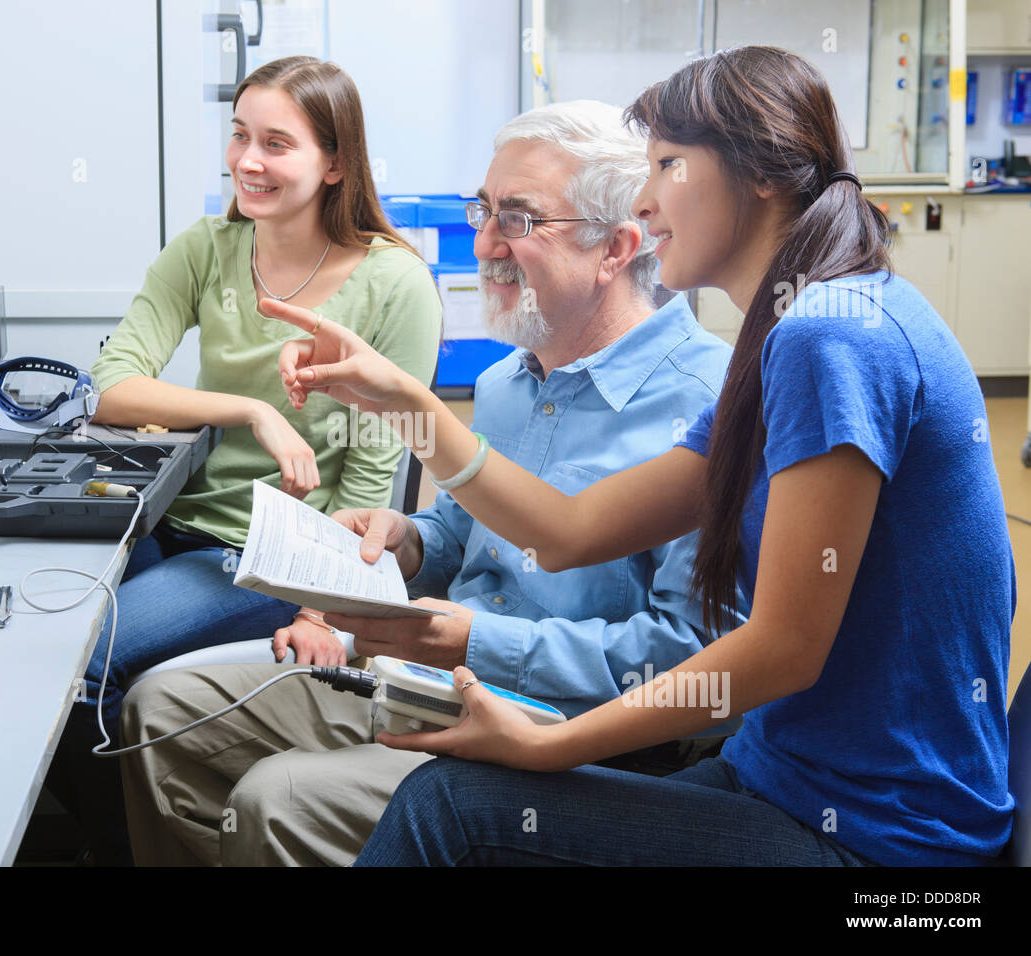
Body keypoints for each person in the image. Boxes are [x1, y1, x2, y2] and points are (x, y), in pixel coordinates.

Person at [268, 47, 1015, 867]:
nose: (648, 197)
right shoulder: (787, 335)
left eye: (668, 164)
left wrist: (552, 746)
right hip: (778, 778)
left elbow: (782, 648)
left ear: (760, 175)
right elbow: (569, 530)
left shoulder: (828, 335)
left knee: (449, 807)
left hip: (880, 839)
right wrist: (405, 402)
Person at [117, 100, 744, 866]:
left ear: (614, 248)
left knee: (275, 799)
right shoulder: (512, 378)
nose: (483, 245)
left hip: (570, 729)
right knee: (159, 713)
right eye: (482, 210)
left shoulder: (709, 405)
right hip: (430, 679)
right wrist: (405, 541)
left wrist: (477, 640)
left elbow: (692, 658)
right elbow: (458, 532)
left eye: (517, 219)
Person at [42, 56, 442, 865]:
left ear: (335, 163)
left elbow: (372, 482)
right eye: (238, 137)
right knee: (29, 637)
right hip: (168, 525)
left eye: (277, 144)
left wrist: (321, 612)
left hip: (268, 558)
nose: (248, 161)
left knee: (80, 667)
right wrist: (251, 409)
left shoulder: (396, 285)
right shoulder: (208, 249)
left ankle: (125, 852)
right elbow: (113, 386)